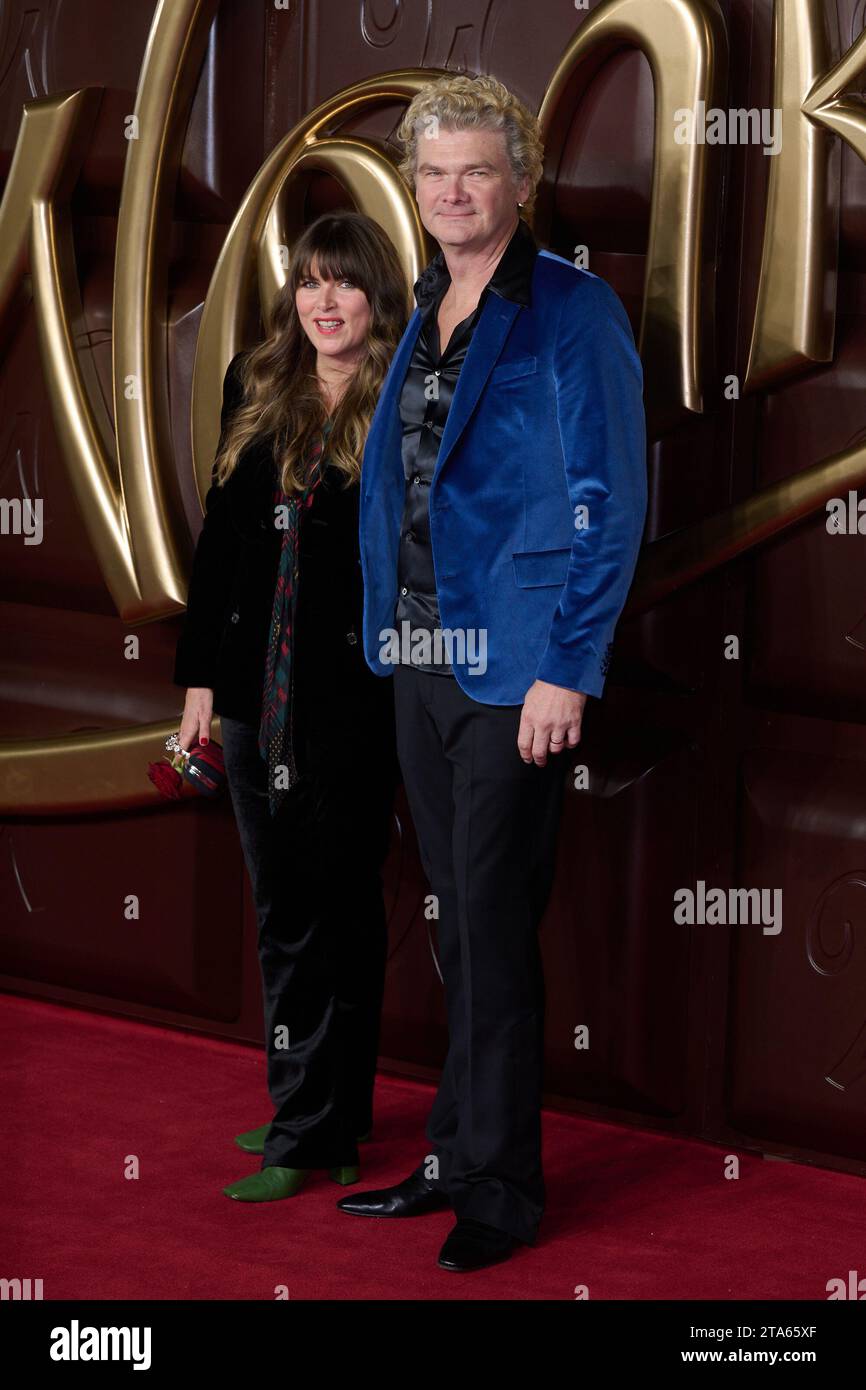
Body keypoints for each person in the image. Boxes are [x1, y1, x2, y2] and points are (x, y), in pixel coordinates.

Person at [342, 75, 648, 1269]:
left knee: (491, 927)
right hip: (418, 659)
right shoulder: (425, 302)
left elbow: (608, 503)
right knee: (455, 931)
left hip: (516, 671)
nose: (451, 191)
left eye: (475, 169)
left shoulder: (571, 309)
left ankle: (501, 1193)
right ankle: (452, 1154)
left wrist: (566, 669)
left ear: (519, 180)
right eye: (431, 173)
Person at [172, 211, 407, 1202]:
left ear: (375, 299)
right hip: (247, 694)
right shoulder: (255, 382)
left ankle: (315, 1130)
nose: (325, 302)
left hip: (352, 703)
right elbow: (221, 542)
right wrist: (194, 684)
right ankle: (319, 1113)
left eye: (345, 284)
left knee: (337, 911)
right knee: (285, 911)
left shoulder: (403, 398)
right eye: (310, 282)